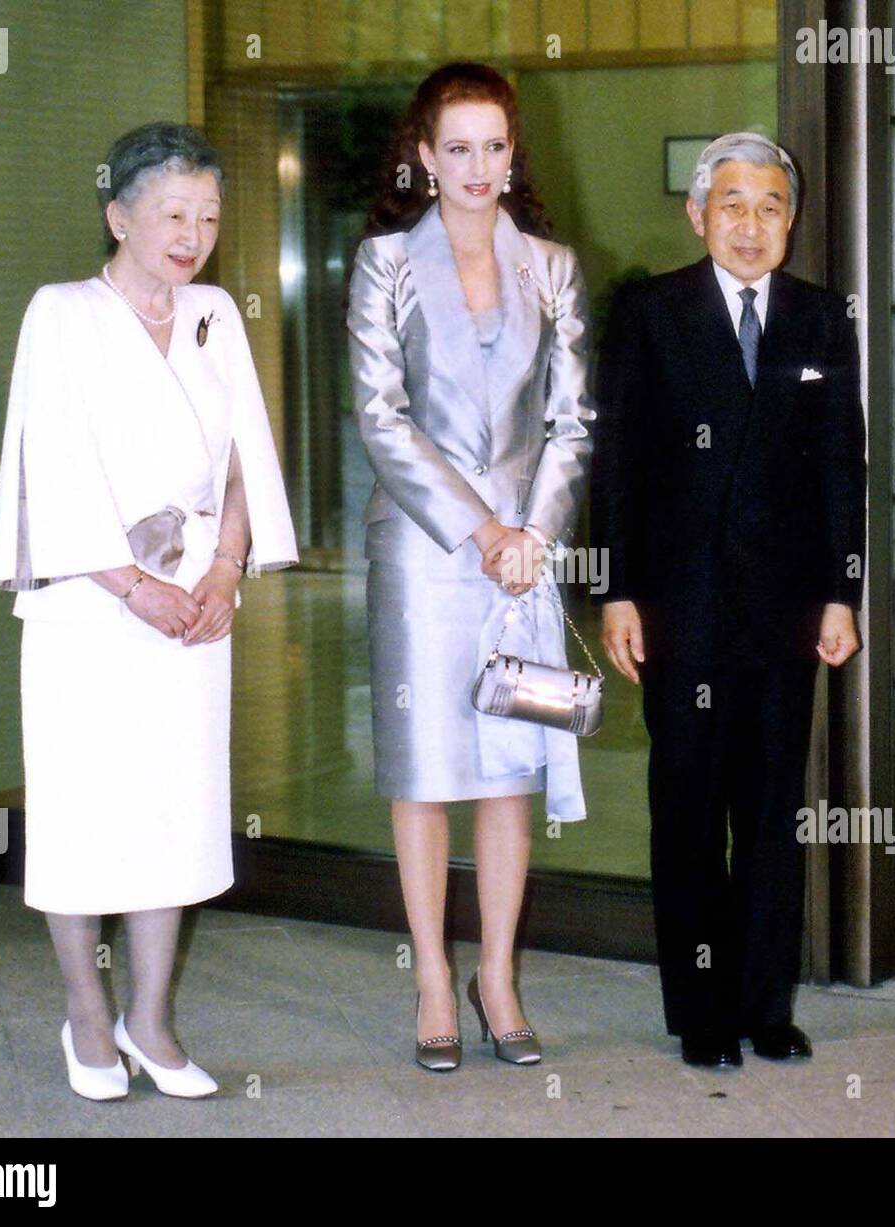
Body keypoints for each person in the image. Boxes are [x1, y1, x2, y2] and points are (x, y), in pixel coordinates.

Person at [0, 122, 298, 1100]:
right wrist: (135, 587)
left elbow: (247, 457)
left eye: (207, 215)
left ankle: (152, 1023)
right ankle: (87, 1020)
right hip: (93, 605)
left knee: (177, 809)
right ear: (118, 215)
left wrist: (225, 573)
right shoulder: (62, 314)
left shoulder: (215, 313)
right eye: (171, 213)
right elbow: (54, 469)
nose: (191, 233)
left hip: (196, 602)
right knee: (87, 812)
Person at [591, 133, 866, 1068]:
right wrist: (616, 590)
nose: (751, 225)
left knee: (771, 810)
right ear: (698, 214)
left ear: (792, 221)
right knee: (688, 804)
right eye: (733, 205)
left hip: (787, 608)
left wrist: (842, 593)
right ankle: (701, 1011)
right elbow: (618, 464)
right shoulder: (650, 311)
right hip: (683, 603)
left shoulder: (822, 320)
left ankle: (764, 1003)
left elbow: (842, 468)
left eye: (771, 207)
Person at [347, 62, 594, 1071]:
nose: (479, 167)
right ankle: (433, 979)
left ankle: (496, 975)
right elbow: (380, 416)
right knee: (424, 775)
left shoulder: (552, 265)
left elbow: (571, 420)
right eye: (458, 148)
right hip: (424, 549)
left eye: (495, 146)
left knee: (508, 770)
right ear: (423, 157)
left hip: (524, 554)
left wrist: (531, 531)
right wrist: (477, 530)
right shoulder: (383, 264)